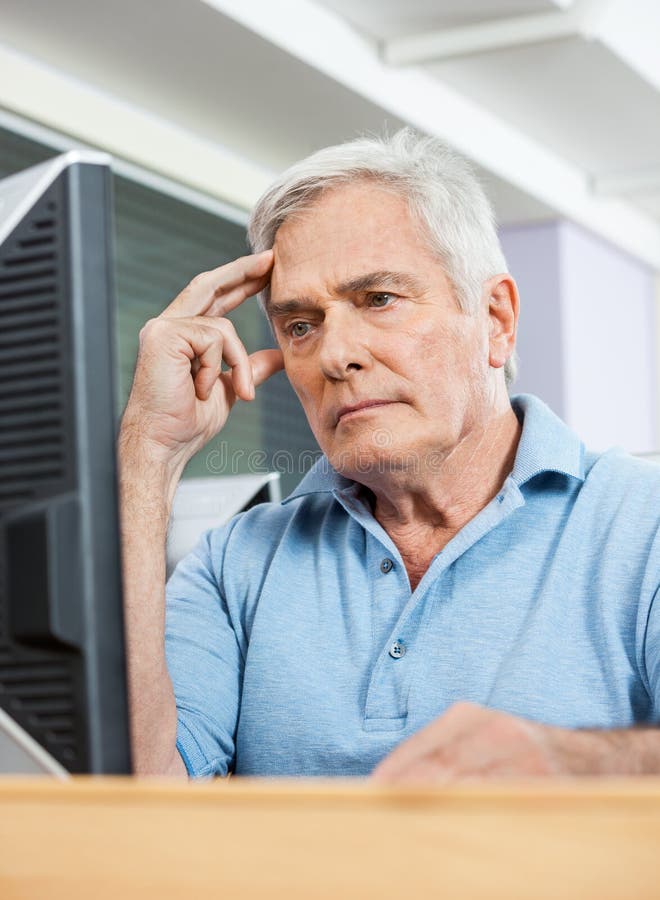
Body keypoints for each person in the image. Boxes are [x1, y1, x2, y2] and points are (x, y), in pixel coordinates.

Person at [119, 129, 660, 780]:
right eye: (300, 324)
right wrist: (149, 453)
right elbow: (144, 802)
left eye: (378, 299)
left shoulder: (642, 524)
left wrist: (579, 764)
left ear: (495, 320)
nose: (334, 356)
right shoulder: (236, 563)